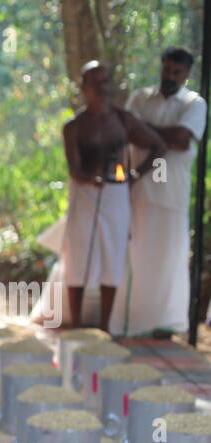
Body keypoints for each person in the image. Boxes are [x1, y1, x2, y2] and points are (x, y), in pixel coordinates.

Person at [61, 61, 166, 332]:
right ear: (83, 88)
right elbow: (74, 168)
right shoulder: (74, 126)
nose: (100, 88)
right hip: (84, 195)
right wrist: (89, 179)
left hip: (116, 196)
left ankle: (105, 327)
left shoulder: (123, 120)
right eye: (94, 82)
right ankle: (76, 324)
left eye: (104, 82)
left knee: (113, 254)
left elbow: (158, 147)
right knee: (78, 255)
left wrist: (135, 175)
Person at [118, 47, 207, 337]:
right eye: (166, 69)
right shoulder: (140, 98)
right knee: (136, 254)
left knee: (168, 258)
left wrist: (147, 132)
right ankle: (130, 319)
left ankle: (163, 322)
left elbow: (183, 138)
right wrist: (161, 135)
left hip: (171, 189)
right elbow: (127, 130)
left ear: (187, 74)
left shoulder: (195, 103)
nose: (170, 76)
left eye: (176, 72)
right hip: (138, 187)